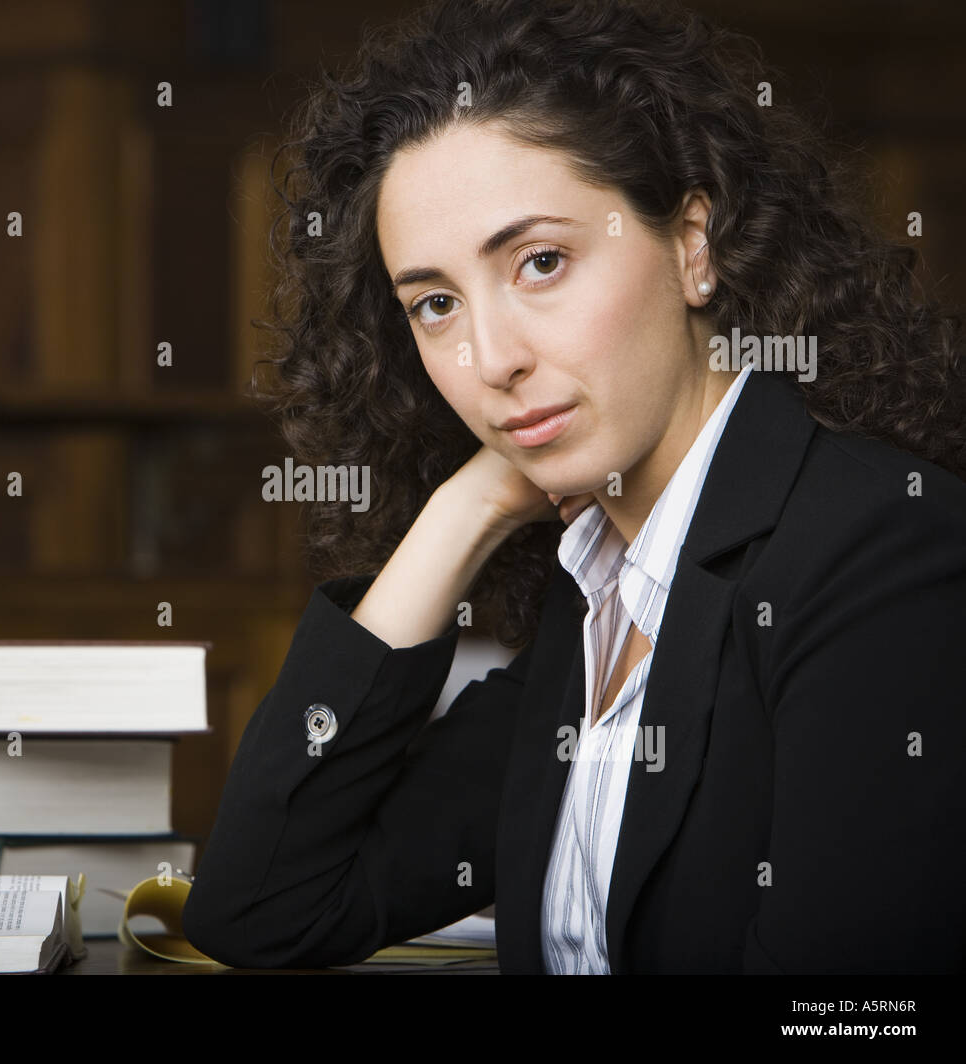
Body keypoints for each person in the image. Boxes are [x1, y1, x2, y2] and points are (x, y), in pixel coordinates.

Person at [180, 0, 966, 973]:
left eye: (540, 262)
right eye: (435, 304)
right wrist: (462, 511)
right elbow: (263, 907)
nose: (489, 359)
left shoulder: (880, 551)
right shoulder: (601, 588)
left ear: (693, 244)